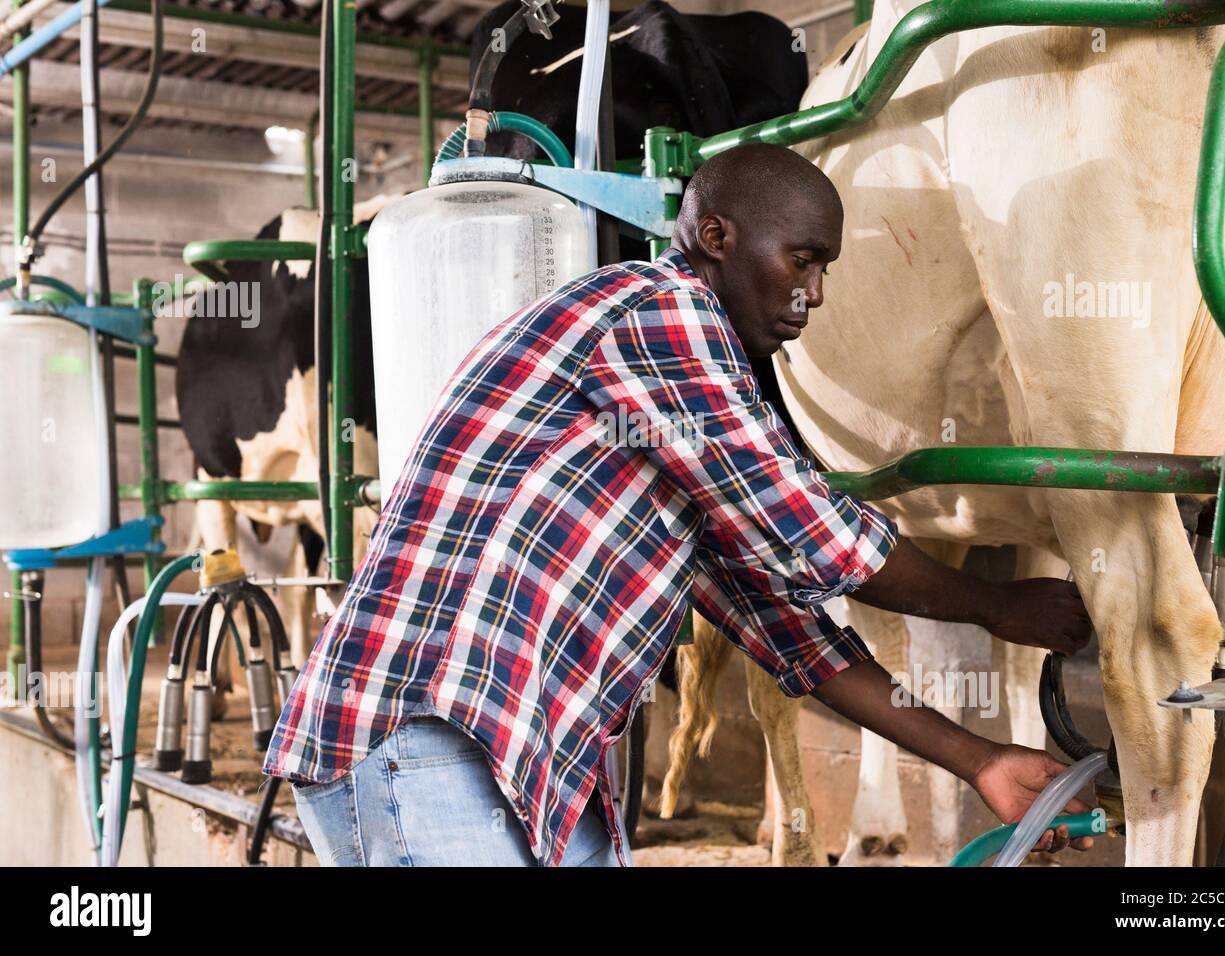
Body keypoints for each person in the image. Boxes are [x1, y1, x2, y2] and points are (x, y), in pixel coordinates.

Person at [262, 143, 1096, 867]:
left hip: (524, 764)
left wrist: (980, 759)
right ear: (715, 236)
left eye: (825, 269)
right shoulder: (656, 311)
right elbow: (816, 536)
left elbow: (792, 633)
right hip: (426, 740)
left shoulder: (691, 413)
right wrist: (996, 607)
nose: (815, 293)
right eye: (802, 258)